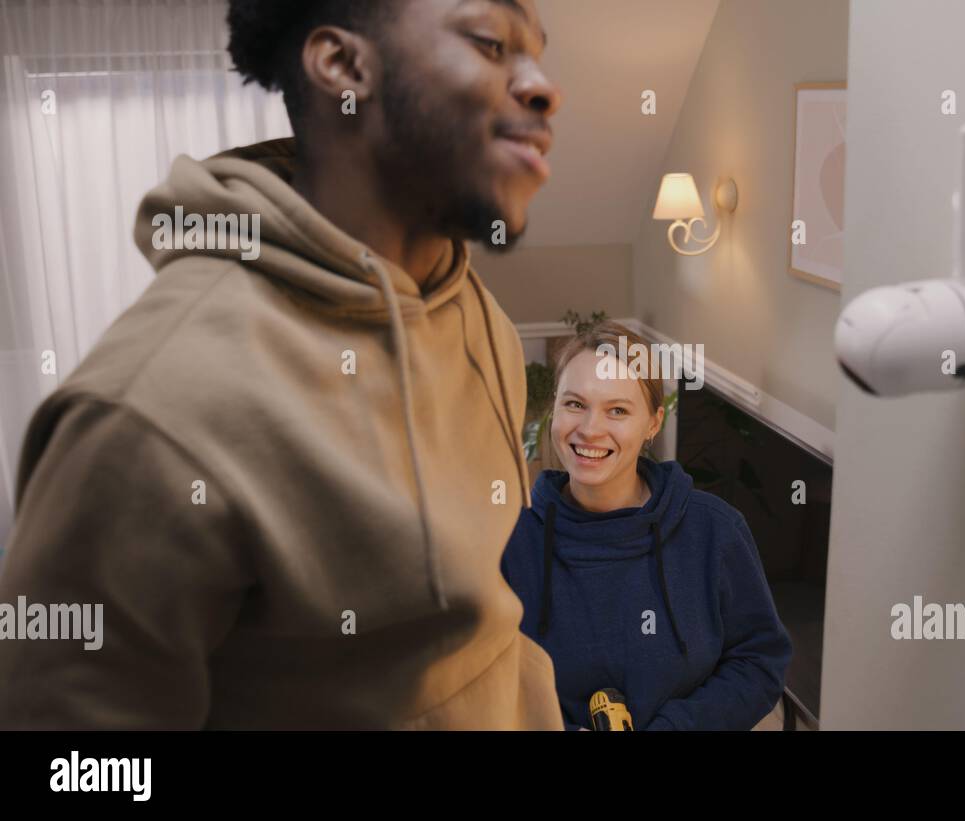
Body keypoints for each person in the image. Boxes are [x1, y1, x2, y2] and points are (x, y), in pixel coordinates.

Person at [0, 0, 564, 729]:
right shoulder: (148, 411)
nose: (546, 86)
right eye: (492, 43)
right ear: (341, 65)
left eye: (538, 52)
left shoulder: (474, 309)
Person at [502, 322, 793, 730]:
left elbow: (759, 662)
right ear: (554, 408)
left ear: (653, 424)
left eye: (617, 410)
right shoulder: (509, 538)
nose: (589, 429)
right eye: (574, 404)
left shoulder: (715, 532)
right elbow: (479, 677)